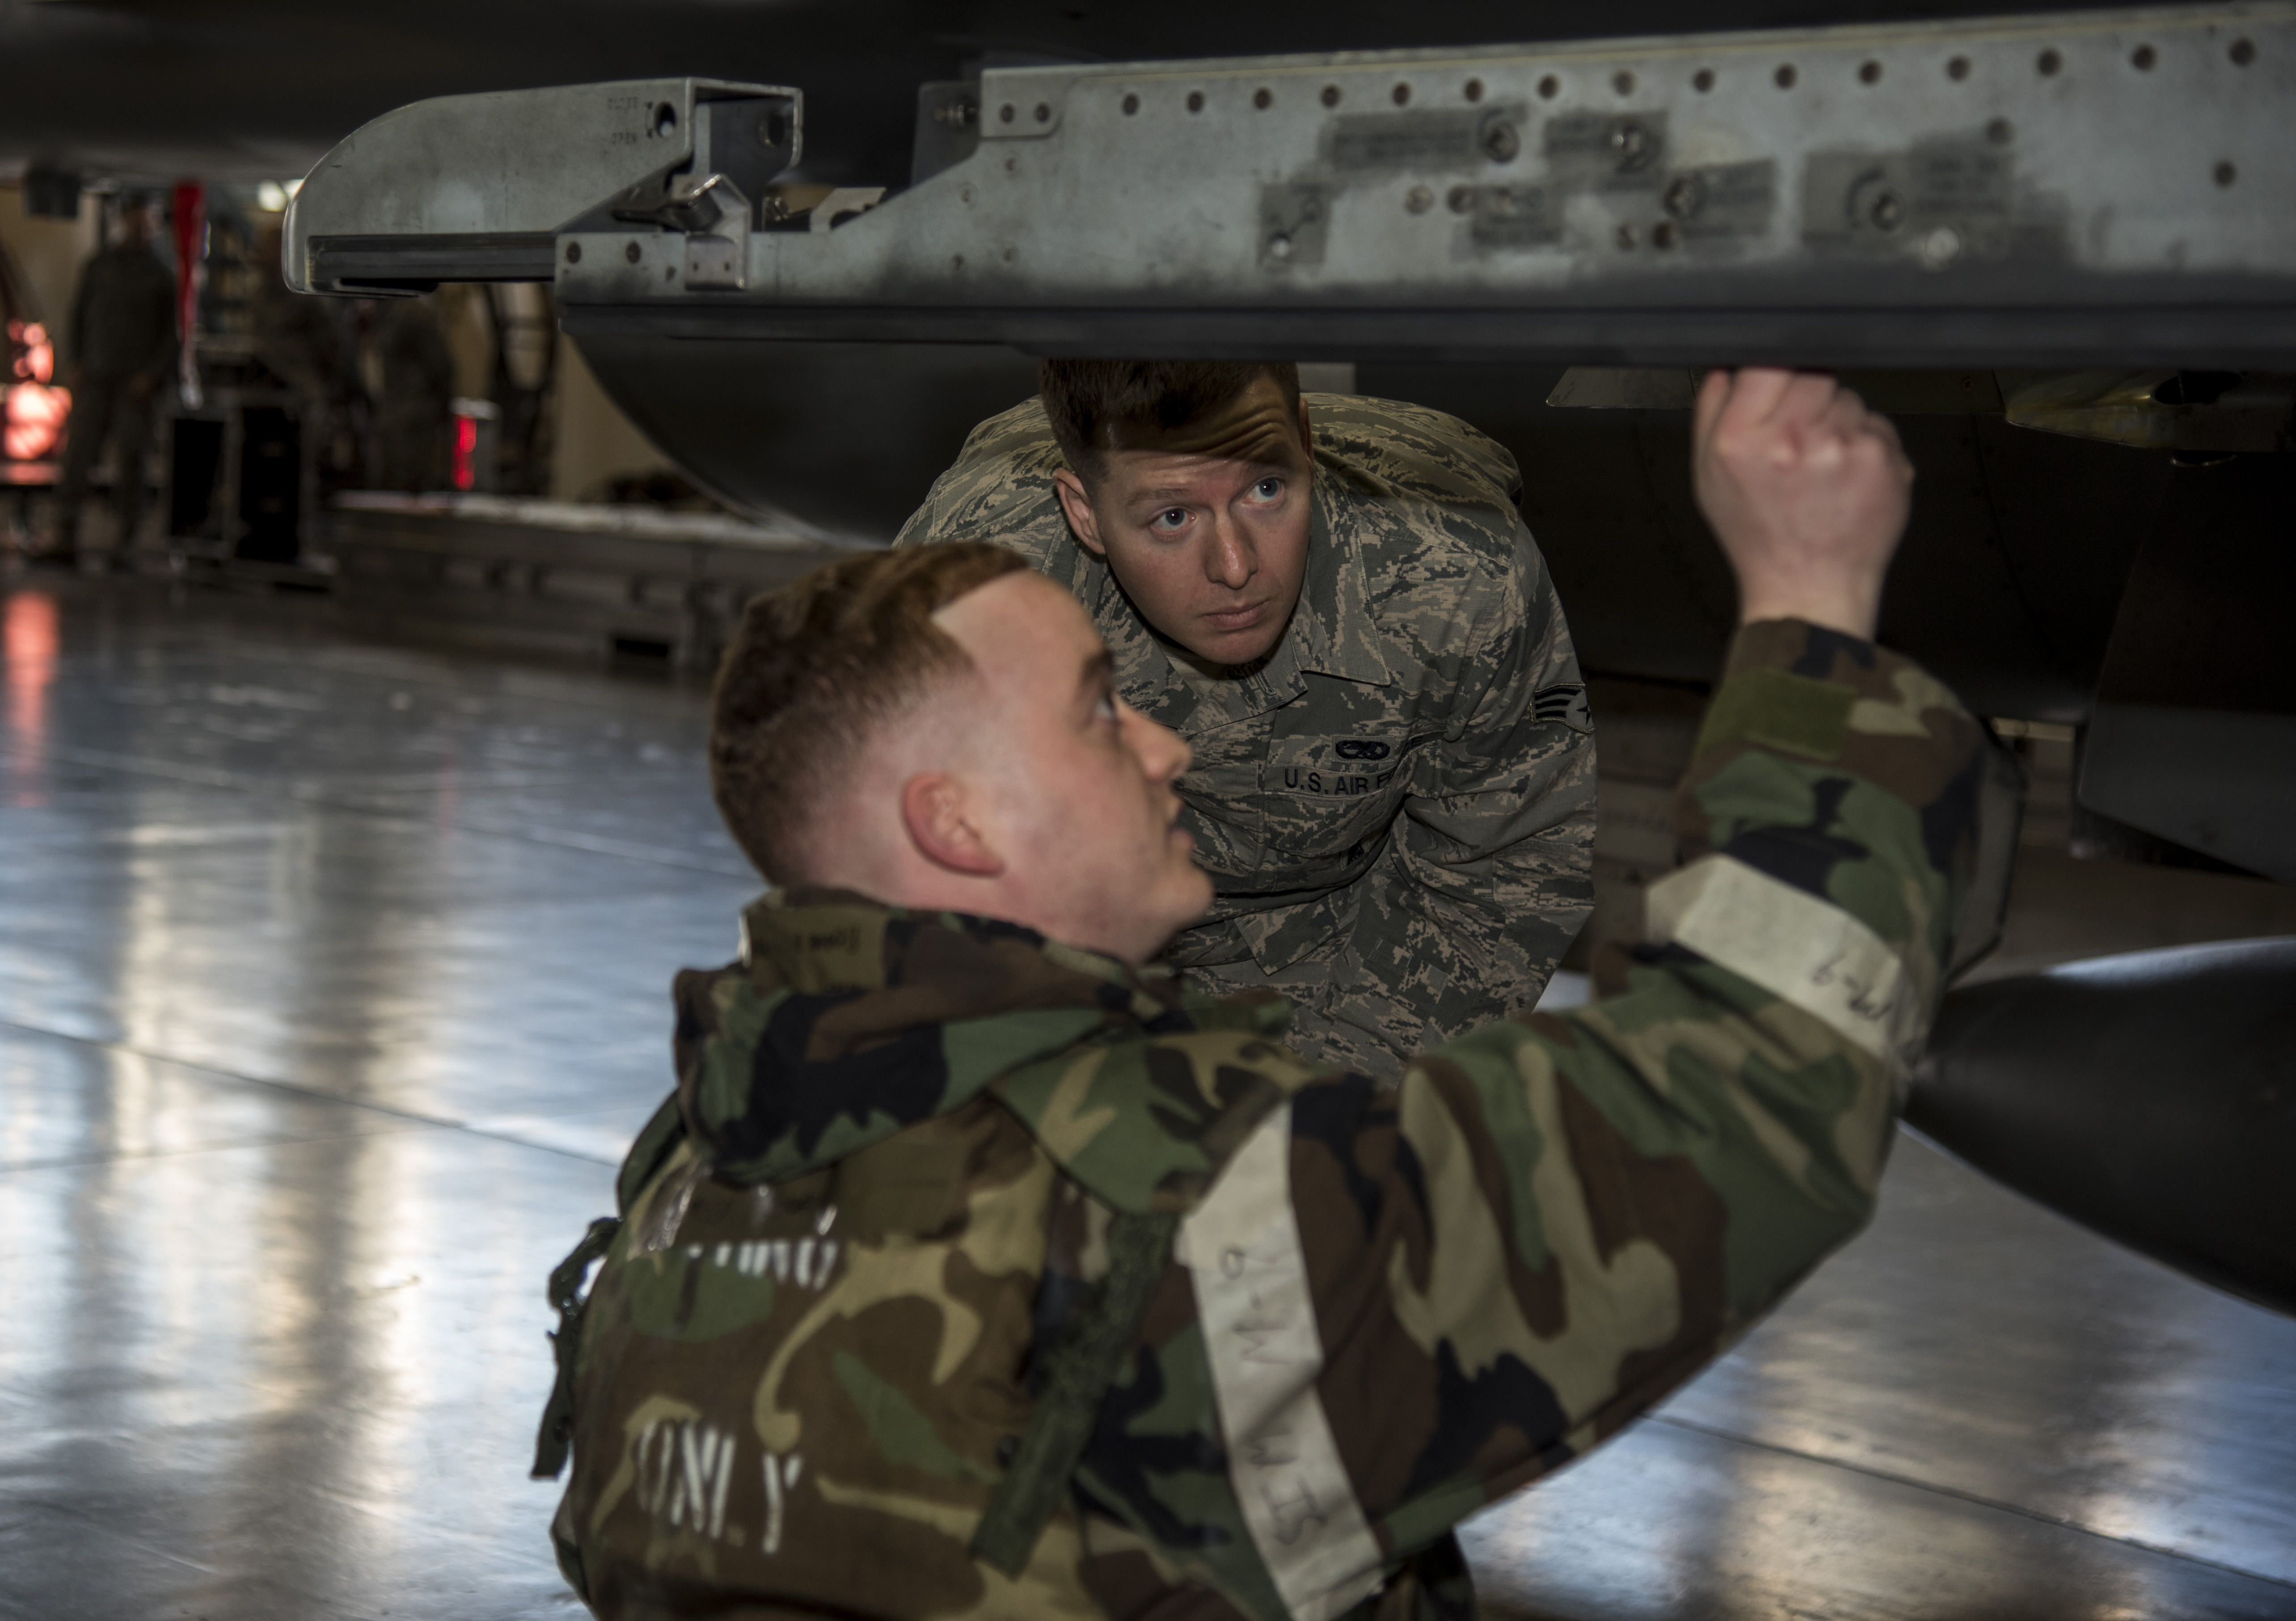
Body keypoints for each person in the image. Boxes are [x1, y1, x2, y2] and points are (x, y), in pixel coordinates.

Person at [534, 370, 2017, 1621]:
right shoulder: (1191, 1224)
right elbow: (1736, 1100)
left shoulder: (672, 1199)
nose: (1169, 745)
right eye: (1095, 715)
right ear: (956, 821)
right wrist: (1812, 608)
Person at [895, 362, 1594, 1079]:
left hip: (1350, 935)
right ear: (1084, 514)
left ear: (1306, 445)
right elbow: (920, 876)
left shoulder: (1453, 581)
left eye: (1265, 490)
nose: (1235, 568)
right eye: (1173, 518)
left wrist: (1322, 1098)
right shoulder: (973, 597)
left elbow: (1500, 876)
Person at [51, 198, 176, 568]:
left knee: (132, 462)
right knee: (78, 456)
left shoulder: (161, 275)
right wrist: (75, 360)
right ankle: (65, 534)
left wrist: (152, 375)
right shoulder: (99, 265)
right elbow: (78, 315)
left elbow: (171, 335)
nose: (142, 231)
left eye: (148, 224)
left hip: (135, 385)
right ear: (124, 222)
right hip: (97, 376)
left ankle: (127, 541)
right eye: (136, 223)